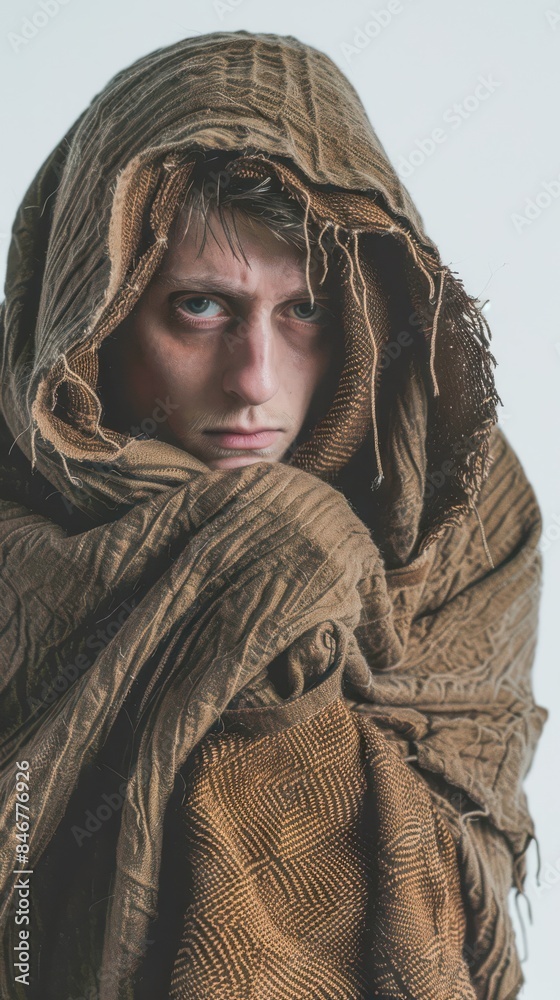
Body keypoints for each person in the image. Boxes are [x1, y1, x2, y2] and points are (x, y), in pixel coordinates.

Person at [0, 30, 546, 1000]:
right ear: (96, 313)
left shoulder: (461, 524)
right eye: (201, 308)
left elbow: (466, 849)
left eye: (303, 313)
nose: (255, 379)